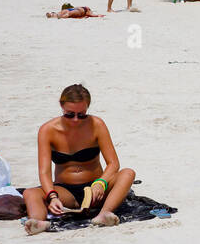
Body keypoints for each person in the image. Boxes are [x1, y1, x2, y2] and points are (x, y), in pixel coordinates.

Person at [21, 84, 137, 234]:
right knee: (30, 193)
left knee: (128, 173)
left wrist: (101, 183)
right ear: (61, 106)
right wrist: (52, 196)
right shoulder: (47, 130)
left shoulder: (97, 125)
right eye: (70, 114)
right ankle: (39, 222)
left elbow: (113, 163)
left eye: (81, 115)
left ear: (87, 108)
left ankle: (104, 213)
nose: (76, 119)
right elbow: (44, 171)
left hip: (96, 189)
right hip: (65, 191)